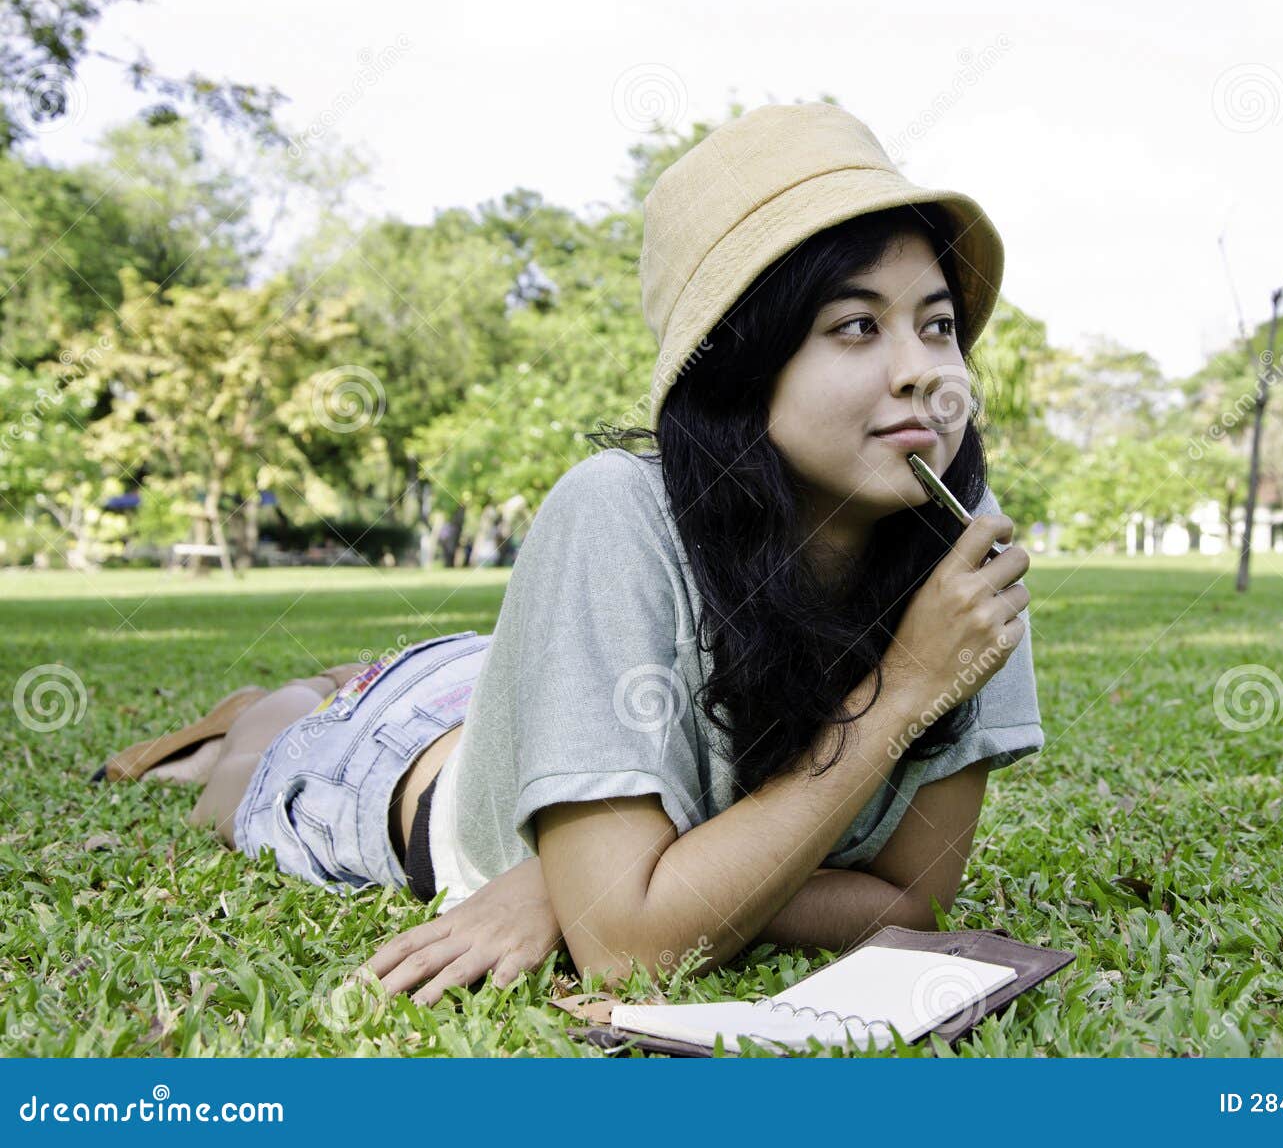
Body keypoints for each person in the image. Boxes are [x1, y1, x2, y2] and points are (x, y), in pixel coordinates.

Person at [102, 102, 1044, 1006]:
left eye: (936, 324)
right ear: (743, 367)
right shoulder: (617, 509)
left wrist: (596, 886)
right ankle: (276, 709)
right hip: (403, 765)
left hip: (523, 703)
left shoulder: (960, 551)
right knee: (232, 788)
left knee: (485, 698)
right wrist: (908, 686)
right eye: (855, 326)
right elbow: (633, 953)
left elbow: (909, 901)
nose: (925, 368)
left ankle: (374, 679)